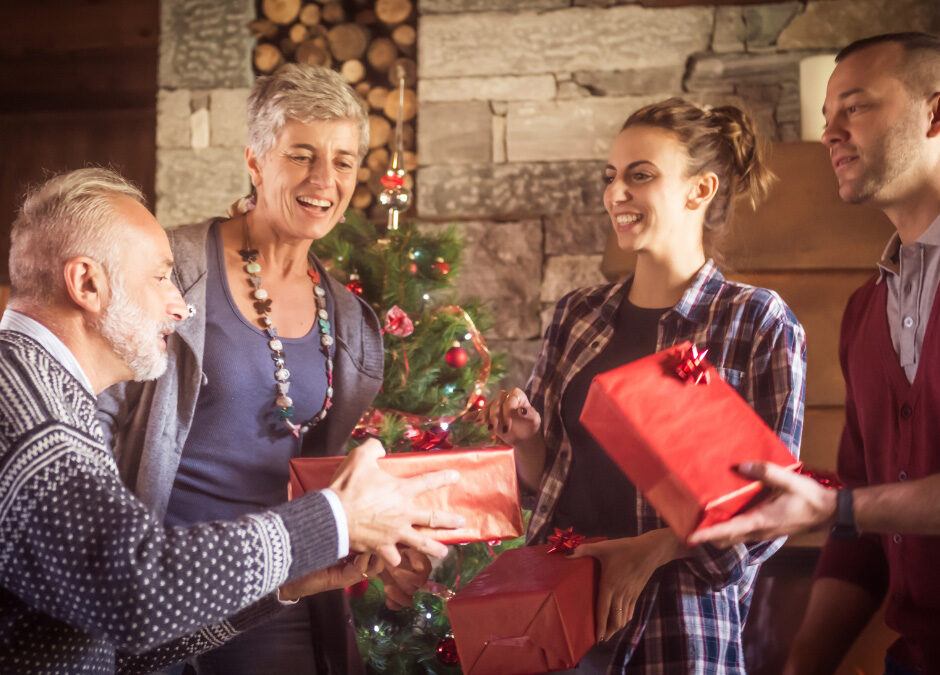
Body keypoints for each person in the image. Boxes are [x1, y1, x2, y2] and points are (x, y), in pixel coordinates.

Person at [0, 167, 463, 674]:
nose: (181, 308)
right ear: (87, 282)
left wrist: (288, 583)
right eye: (160, 278)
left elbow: (114, 642)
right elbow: (135, 594)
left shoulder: (41, 389)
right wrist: (334, 520)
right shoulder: (28, 414)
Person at [95, 64, 427, 674]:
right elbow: (93, 413)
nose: (324, 180)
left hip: (284, 595)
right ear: (255, 161)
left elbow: (325, 470)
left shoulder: (350, 320)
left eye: (345, 161)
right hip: (165, 590)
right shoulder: (171, 269)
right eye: (302, 155)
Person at [481, 98, 806, 672]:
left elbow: (777, 503)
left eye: (640, 176)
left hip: (678, 630)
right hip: (559, 620)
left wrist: (652, 550)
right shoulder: (576, 314)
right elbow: (539, 483)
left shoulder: (755, 320)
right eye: (611, 178)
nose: (616, 194)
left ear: (699, 190)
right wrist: (525, 437)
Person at [691, 32, 940, 675]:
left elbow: (849, 505)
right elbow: (860, 522)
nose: (831, 133)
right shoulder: (864, 313)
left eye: (855, 108)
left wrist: (837, 507)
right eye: (827, 118)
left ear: (935, 114)